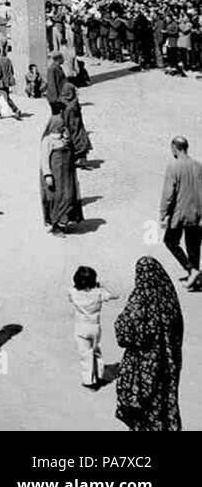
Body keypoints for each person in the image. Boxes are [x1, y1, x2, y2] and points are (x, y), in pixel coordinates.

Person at [113, 256, 183, 431]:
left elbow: (124, 333)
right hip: (167, 364)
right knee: (163, 403)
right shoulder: (170, 300)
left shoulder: (140, 300)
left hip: (143, 366)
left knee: (142, 410)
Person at [159, 135, 202, 291]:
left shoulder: (173, 167)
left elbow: (168, 195)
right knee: (194, 246)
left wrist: (163, 214)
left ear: (174, 148)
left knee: (170, 241)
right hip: (197, 213)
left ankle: (191, 270)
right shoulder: (198, 166)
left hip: (180, 213)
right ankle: (195, 279)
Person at [68, 265, 118, 390]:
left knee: (85, 354)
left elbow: (70, 296)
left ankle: (89, 380)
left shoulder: (73, 292)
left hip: (80, 327)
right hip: (94, 326)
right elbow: (115, 295)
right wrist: (102, 286)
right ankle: (100, 374)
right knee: (96, 351)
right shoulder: (99, 293)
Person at [40, 114, 83, 234]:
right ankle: (56, 225)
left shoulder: (64, 139)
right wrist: (47, 175)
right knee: (57, 198)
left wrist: (67, 140)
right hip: (55, 176)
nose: (63, 126)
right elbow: (44, 159)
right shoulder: (48, 140)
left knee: (68, 196)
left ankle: (65, 221)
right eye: (61, 125)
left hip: (66, 175)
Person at [59, 84, 92, 168]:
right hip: (76, 125)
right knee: (79, 140)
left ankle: (77, 160)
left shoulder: (63, 102)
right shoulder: (74, 101)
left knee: (71, 141)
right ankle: (80, 159)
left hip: (70, 125)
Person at [0, 45, 23, 120]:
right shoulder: (7, 59)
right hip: (7, 82)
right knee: (7, 97)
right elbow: (11, 71)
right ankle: (16, 110)